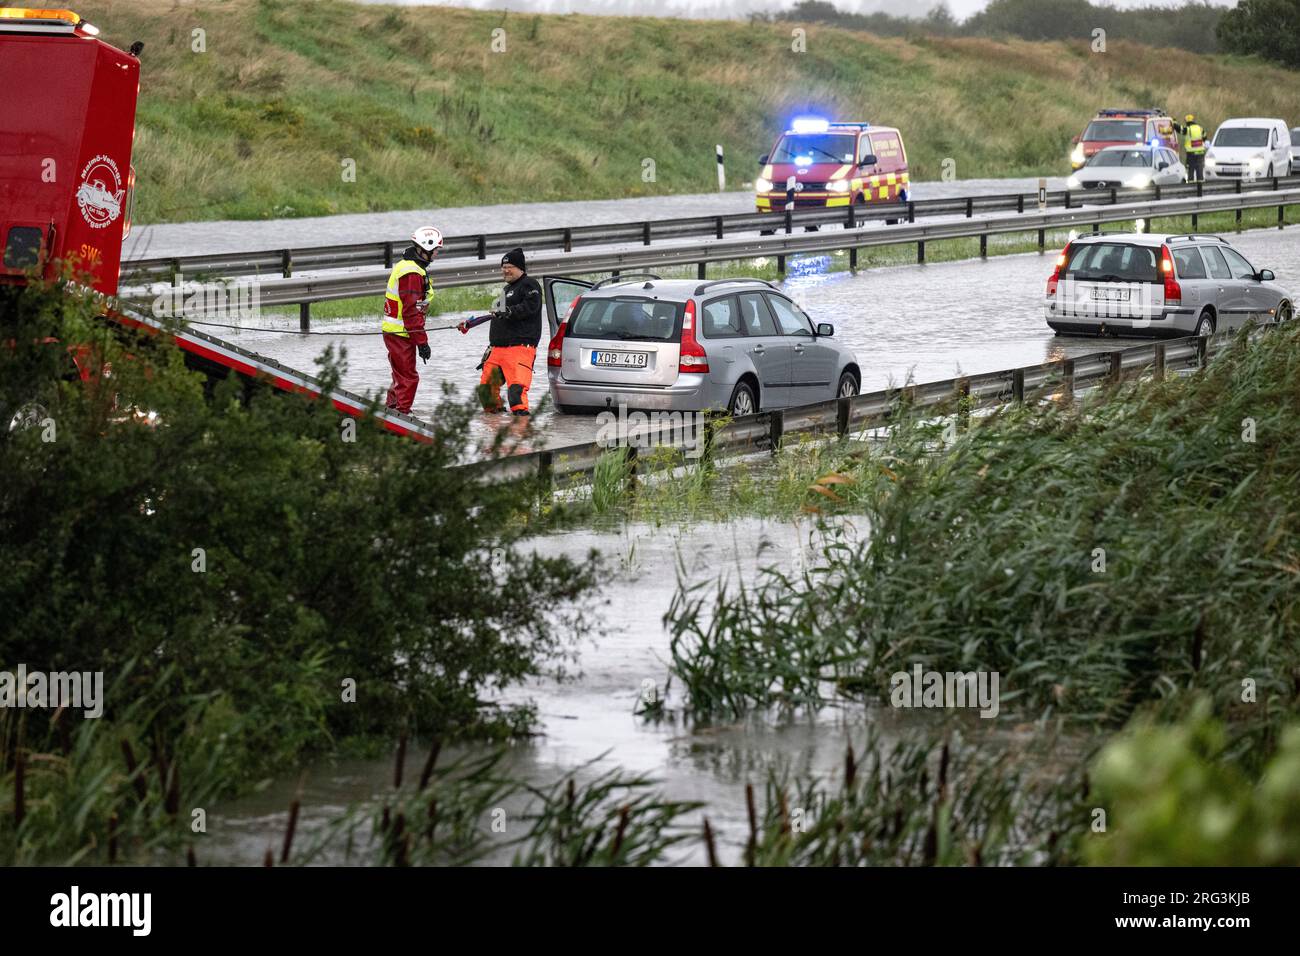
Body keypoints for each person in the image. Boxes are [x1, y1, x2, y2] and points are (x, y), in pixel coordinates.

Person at [458, 247, 542, 416]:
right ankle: (493, 434)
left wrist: (510, 311)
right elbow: (496, 316)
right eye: (503, 267)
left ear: (520, 268)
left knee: (516, 395)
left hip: (520, 348)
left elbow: (530, 307)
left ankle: (521, 435)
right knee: (486, 394)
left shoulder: (530, 284)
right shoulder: (506, 290)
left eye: (509, 266)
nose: (505, 270)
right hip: (497, 349)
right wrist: (470, 323)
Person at [381, 226, 442, 414]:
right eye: (436, 251)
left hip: (397, 332)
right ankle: (401, 415)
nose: (437, 255)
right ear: (426, 249)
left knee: (400, 375)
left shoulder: (410, 266)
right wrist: (422, 343)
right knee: (409, 378)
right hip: (402, 332)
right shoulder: (412, 273)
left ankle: (391, 409)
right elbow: (410, 312)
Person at [1174, 113, 1207, 183]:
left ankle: (1191, 185)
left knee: (1191, 169)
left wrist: (1174, 123)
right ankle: (1200, 186)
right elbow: (1204, 137)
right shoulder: (1200, 128)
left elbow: (1180, 129)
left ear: (1186, 121)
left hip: (1191, 154)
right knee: (1199, 169)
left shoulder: (1188, 129)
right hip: (1200, 153)